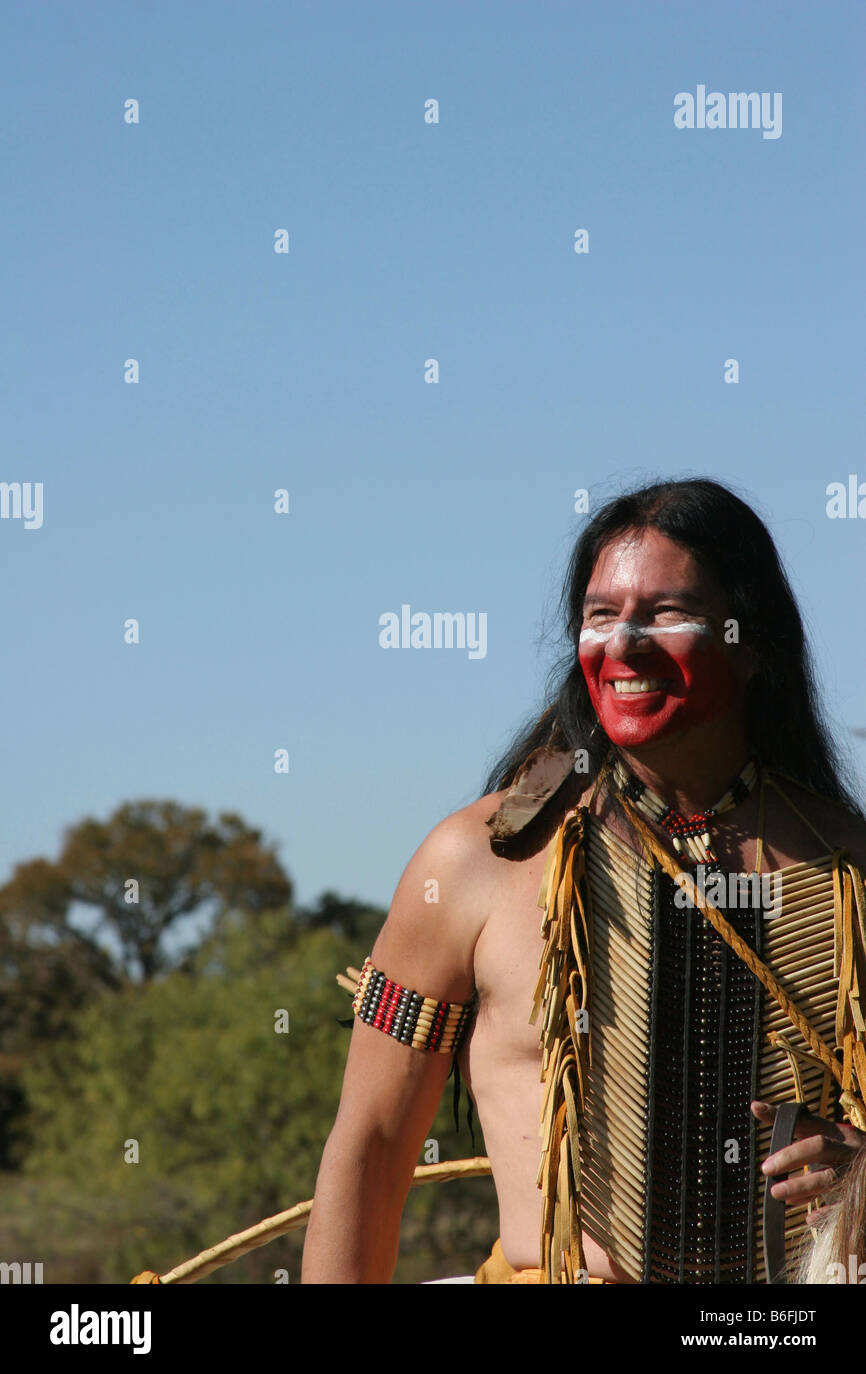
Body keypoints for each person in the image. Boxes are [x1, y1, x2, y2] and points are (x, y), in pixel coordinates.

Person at [301, 478, 866, 1284]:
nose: (624, 643)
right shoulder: (473, 864)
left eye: (667, 612)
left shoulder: (850, 872)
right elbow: (371, 1145)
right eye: (601, 615)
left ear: (753, 644)